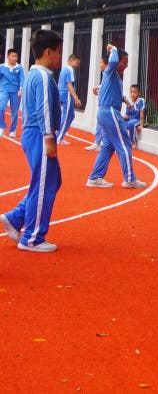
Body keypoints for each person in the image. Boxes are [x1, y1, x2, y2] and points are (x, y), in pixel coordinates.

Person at [0, 30, 64, 252]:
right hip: (39, 134)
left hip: (34, 133)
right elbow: (43, 109)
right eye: (58, 52)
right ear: (48, 52)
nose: (60, 56)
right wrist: (49, 137)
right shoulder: (43, 77)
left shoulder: (32, 74)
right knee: (44, 183)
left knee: (51, 181)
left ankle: (16, 217)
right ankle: (32, 238)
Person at [85, 44, 146, 189]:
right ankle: (129, 178)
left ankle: (95, 177)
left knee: (108, 146)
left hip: (104, 113)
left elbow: (109, 90)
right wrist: (113, 49)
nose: (125, 65)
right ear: (116, 60)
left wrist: (125, 100)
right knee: (125, 144)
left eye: (127, 62)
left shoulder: (113, 76)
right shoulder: (110, 70)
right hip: (110, 113)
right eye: (123, 62)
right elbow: (112, 61)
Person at [56, 53, 82, 145]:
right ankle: (58, 137)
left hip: (62, 94)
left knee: (71, 116)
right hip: (67, 95)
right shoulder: (70, 70)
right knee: (67, 116)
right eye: (76, 63)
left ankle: (60, 134)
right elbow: (69, 85)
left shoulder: (64, 69)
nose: (77, 66)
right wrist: (76, 98)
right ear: (71, 61)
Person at [0, 48, 24, 138]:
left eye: (16, 56)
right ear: (8, 57)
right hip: (4, 90)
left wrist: (21, 89)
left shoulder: (19, 68)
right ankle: (1, 127)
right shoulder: (2, 67)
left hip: (16, 92)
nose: (15, 58)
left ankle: (12, 130)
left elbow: (22, 79)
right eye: (13, 56)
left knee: (15, 112)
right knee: (1, 108)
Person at [85, 56, 108, 151]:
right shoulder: (105, 75)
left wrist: (98, 88)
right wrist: (98, 89)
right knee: (100, 125)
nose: (100, 65)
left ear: (106, 64)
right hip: (102, 105)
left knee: (107, 127)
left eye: (101, 62)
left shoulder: (109, 75)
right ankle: (97, 142)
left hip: (107, 106)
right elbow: (105, 88)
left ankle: (105, 144)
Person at [122, 84, 145, 148]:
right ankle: (124, 141)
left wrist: (141, 124)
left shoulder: (141, 101)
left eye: (135, 92)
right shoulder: (129, 103)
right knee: (121, 124)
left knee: (130, 124)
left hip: (137, 120)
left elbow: (142, 113)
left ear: (139, 93)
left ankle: (133, 141)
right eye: (131, 92)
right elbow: (127, 116)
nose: (132, 94)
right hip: (131, 120)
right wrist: (120, 117)